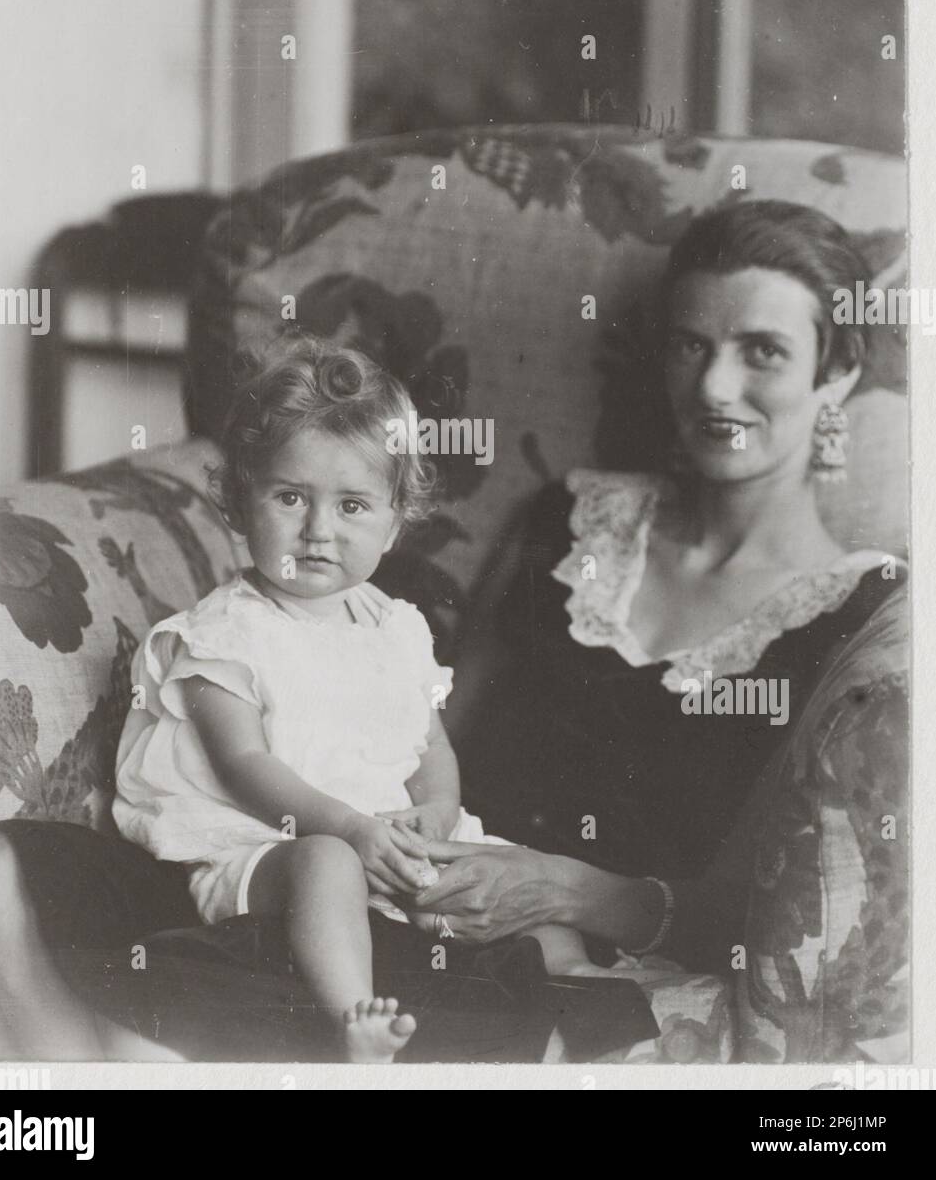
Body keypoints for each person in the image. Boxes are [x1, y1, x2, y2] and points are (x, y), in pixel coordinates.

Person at [419, 200, 905, 978]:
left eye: (762, 352)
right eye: (690, 344)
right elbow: (422, 742)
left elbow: (786, 914)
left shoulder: (862, 619)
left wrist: (567, 894)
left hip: (623, 993)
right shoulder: (564, 522)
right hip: (422, 924)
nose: (714, 386)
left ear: (836, 372)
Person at [112, 333, 605, 1064]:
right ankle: (355, 1018)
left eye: (351, 505)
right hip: (272, 850)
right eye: (289, 497)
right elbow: (244, 764)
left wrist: (436, 814)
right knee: (327, 866)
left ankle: (577, 983)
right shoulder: (222, 633)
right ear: (238, 503)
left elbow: (428, 744)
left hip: (386, 840)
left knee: (506, 872)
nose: (318, 531)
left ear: (394, 520)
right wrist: (349, 831)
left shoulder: (395, 628)